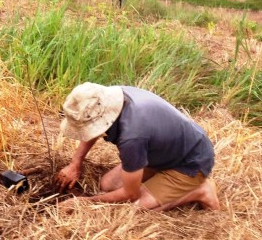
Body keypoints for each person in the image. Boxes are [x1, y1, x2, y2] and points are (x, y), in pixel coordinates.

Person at [54, 82, 220, 211]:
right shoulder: (111, 98)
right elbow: (92, 126)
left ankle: (200, 190)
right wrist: (75, 163)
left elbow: (130, 194)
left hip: (190, 163)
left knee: (133, 208)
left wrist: (86, 202)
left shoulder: (132, 137)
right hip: (161, 152)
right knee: (107, 186)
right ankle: (158, 181)